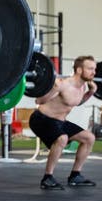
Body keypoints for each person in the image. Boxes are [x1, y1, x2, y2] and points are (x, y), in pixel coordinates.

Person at [29, 54, 98, 190]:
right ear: (79, 70)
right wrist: (54, 89)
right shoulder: (63, 84)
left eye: (94, 69)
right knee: (62, 138)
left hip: (59, 121)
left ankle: (75, 176)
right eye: (90, 69)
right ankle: (47, 178)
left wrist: (90, 92)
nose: (94, 72)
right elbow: (39, 101)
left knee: (89, 138)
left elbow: (76, 103)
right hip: (41, 119)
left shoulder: (83, 87)